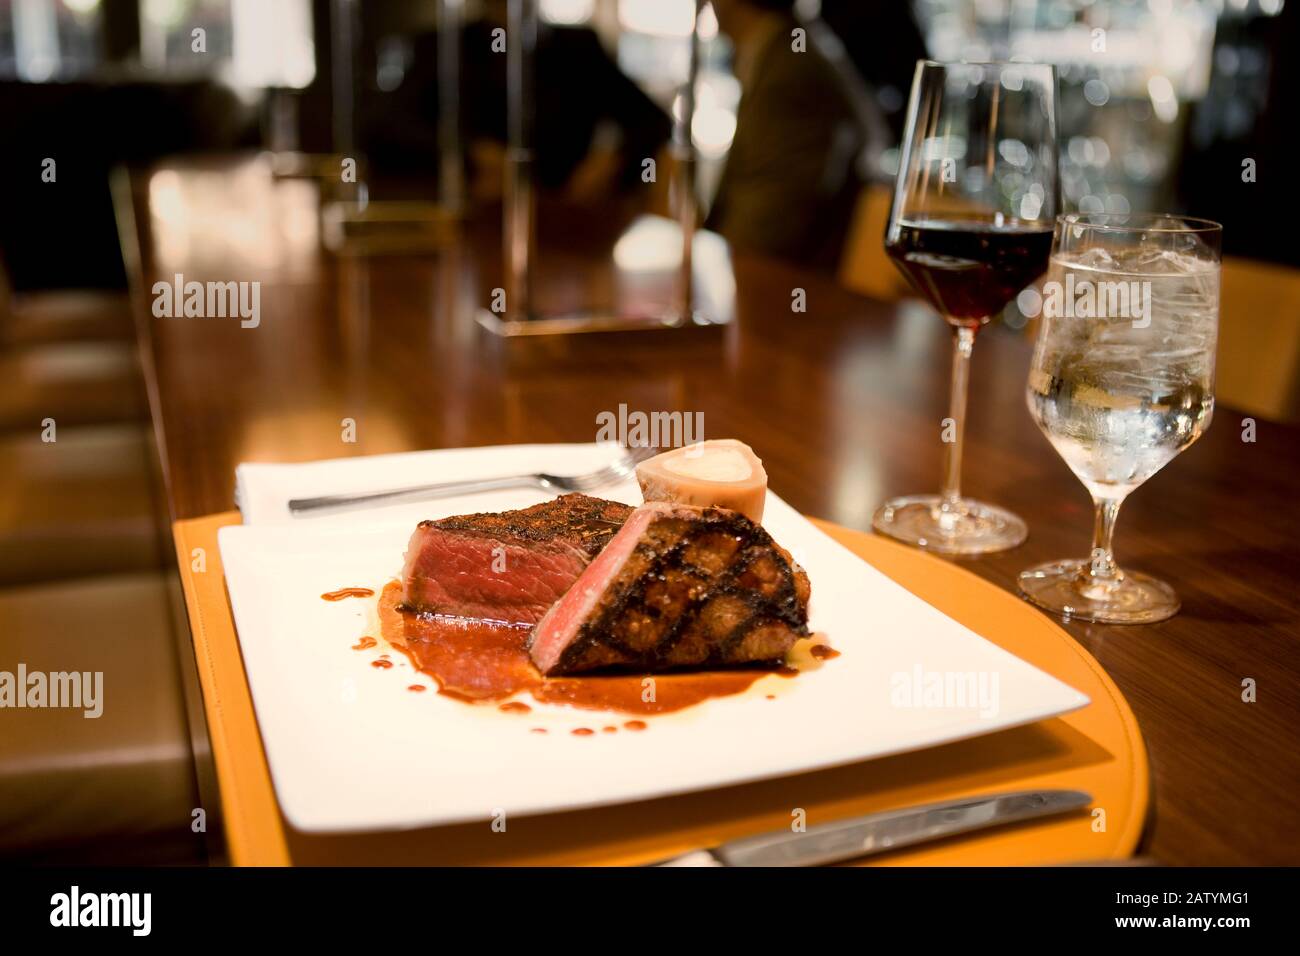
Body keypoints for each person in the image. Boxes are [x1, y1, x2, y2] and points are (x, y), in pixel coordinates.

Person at [706, 0, 868, 270]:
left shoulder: (789, 68)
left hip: (786, 285)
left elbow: (768, 218)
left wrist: (712, 269)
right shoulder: (779, 47)